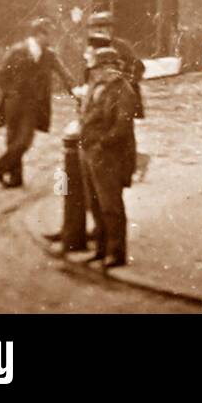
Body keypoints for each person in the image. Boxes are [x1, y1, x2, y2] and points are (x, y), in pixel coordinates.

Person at [0, 18, 79, 188]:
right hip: (14, 103)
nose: (50, 39)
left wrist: (75, 91)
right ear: (39, 35)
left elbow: (64, 74)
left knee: (24, 140)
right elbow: (0, 74)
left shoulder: (49, 54)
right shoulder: (17, 51)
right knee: (13, 139)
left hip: (32, 105)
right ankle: (15, 179)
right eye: (48, 34)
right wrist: (11, 91)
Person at [78, 46, 139, 269]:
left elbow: (121, 127)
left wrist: (100, 143)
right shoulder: (97, 86)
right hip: (90, 152)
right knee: (94, 202)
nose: (95, 73)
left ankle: (116, 252)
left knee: (110, 204)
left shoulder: (123, 90)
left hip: (109, 155)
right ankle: (101, 249)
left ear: (111, 67)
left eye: (99, 68)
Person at [84, 26, 145, 119]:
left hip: (120, 87)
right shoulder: (92, 52)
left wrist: (130, 81)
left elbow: (139, 66)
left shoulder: (120, 46)